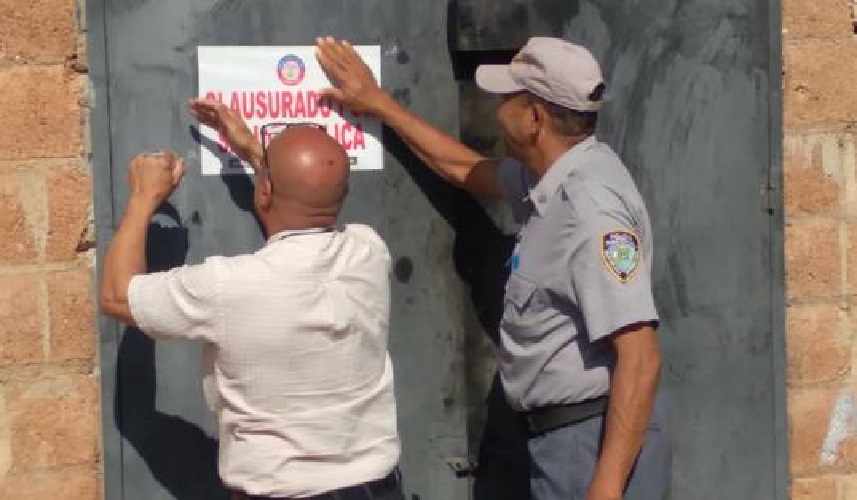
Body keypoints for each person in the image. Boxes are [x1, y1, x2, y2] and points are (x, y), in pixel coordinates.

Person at [313, 36, 671, 500]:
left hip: (594, 444)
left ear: (534, 118)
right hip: (564, 439)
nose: (497, 107)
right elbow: (464, 167)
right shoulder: (553, 176)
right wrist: (379, 104)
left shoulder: (589, 211)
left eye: (507, 98)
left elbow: (641, 357)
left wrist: (606, 484)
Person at [99, 120, 405, 500]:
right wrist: (255, 155)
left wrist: (143, 198)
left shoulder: (228, 286)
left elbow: (116, 295)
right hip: (376, 488)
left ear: (263, 192)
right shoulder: (368, 250)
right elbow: (308, 195)